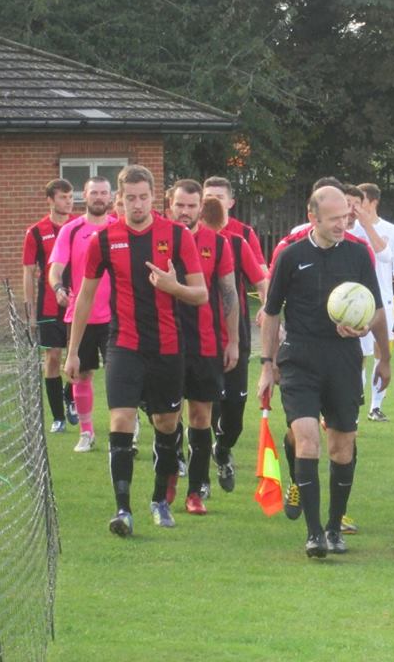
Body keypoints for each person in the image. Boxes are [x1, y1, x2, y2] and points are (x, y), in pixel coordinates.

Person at [65, 164, 207, 536]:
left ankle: (160, 500)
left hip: (168, 347)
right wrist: (73, 350)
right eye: (131, 198)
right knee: (121, 421)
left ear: (154, 197)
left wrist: (173, 287)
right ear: (120, 199)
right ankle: (122, 510)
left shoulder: (176, 235)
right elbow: (84, 297)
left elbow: (200, 294)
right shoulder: (104, 239)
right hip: (123, 345)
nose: (138, 204)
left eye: (144, 197)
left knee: (166, 424)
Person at [258, 186, 390, 559]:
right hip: (299, 358)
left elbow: (376, 309)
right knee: (307, 439)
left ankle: (334, 528)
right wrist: (267, 365)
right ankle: (314, 533)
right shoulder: (291, 256)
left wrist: (381, 353)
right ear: (312, 217)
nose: (342, 224)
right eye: (334, 219)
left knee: (341, 446)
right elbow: (271, 313)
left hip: (344, 359)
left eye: (346, 217)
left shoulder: (358, 254)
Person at [167, 182, 240, 515]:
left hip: (205, 343)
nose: (185, 212)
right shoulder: (159, 240)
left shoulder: (218, 243)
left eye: (191, 206)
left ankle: (195, 491)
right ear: (170, 206)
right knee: (166, 418)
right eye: (180, 205)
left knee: (200, 416)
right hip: (164, 341)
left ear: (201, 208)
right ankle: (169, 472)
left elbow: (229, 294)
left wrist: (233, 341)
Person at [203, 177, 268, 494]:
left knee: (234, 414)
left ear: (230, 201)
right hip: (200, 335)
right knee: (203, 407)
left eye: (219, 196)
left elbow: (261, 276)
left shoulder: (240, 238)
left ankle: (223, 447)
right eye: (208, 196)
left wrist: (268, 307)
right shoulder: (187, 237)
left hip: (235, 333)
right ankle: (199, 481)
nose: (213, 202)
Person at [48, 176, 115, 452]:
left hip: (116, 317)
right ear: (84, 196)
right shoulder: (71, 230)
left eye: (103, 193)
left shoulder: (119, 228)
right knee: (80, 374)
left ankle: (126, 430)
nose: (99, 197)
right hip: (80, 317)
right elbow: (55, 268)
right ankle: (86, 433)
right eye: (93, 192)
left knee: (120, 374)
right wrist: (58, 287)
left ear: (110, 197)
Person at [23, 178, 74, 433]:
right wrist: (30, 312)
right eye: (63, 197)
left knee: (80, 358)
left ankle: (70, 394)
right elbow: (28, 273)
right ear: (50, 200)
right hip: (48, 305)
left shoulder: (79, 226)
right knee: (53, 357)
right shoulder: (35, 232)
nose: (69, 201)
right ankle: (58, 418)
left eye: (71, 196)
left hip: (77, 303)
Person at [354, 182, 394, 423]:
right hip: (356, 301)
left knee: (382, 352)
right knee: (358, 355)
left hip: (383, 299)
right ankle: (354, 403)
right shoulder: (351, 229)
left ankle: (375, 407)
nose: (355, 207)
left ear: (373, 202)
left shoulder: (391, 231)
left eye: (360, 201)